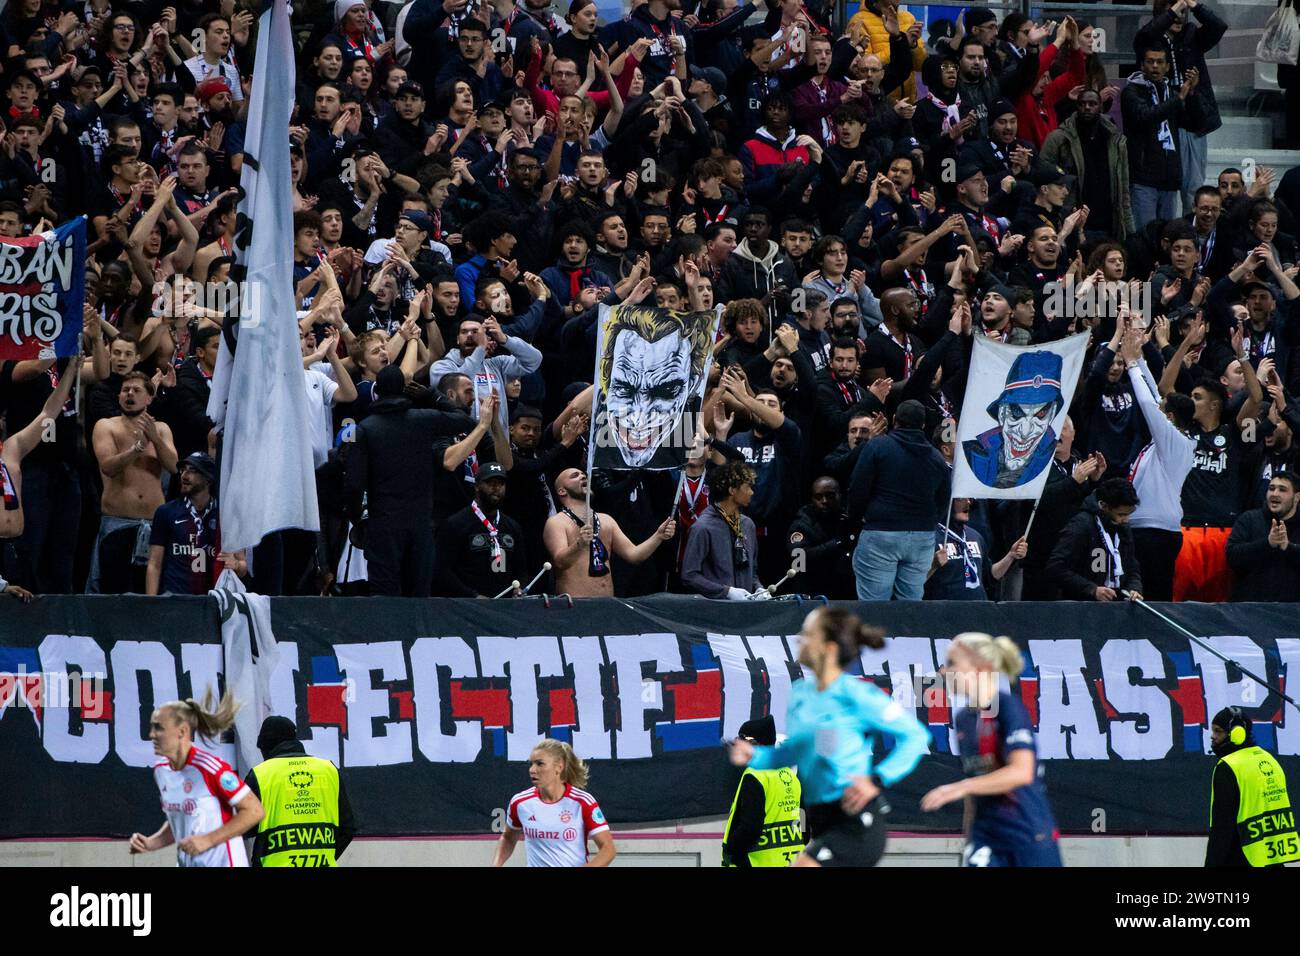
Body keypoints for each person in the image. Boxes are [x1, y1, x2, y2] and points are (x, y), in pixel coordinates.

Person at [729, 606, 930, 867]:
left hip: (855, 820)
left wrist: (876, 779)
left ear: (830, 649)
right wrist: (757, 756)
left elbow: (915, 737)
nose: (799, 639)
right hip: (821, 820)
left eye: (808, 633)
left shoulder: (855, 695)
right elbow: (797, 751)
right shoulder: (801, 693)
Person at [920, 632, 1062, 867]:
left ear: (981, 668)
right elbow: (975, 783)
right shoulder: (964, 718)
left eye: (952, 663)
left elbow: (1021, 772)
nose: (944, 672)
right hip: (985, 838)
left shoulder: (1008, 707)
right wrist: (969, 840)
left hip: (1028, 836)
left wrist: (959, 788)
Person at [345, 365, 477, 597]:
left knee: (385, 596)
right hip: (421, 524)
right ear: (404, 390)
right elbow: (464, 419)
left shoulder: (365, 428)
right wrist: (431, 395)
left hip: (383, 524)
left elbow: (355, 483)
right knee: (419, 595)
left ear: (379, 390)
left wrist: (357, 517)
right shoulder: (423, 419)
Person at [129, 693, 266, 867]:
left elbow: (254, 811)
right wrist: (151, 843)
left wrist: (208, 840)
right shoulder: (161, 770)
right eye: (152, 728)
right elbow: (182, 820)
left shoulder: (209, 769)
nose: (152, 734)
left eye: (159, 728)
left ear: (182, 731)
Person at [848, 399, 950, 601]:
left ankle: (875, 634)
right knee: (911, 603)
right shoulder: (937, 458)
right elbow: (944, 498)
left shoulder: (877, 446)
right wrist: (928, 524)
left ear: (895, 420)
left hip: (881, 533)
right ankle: (908, 633)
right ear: (923, 425)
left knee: (874, 606)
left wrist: (856, 518)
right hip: (921, 538)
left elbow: (858, 488)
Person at [90, 373, 179, 594]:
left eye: (137, 390)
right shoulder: (106, 426)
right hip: (118, 522)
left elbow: (175, 467)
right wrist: (137, 448)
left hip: (154, 524)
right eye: (125, 390)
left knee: (150, 592)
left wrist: (154, 440)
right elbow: (108, 467)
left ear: (149, 398)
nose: (129, 393)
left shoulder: (162, 429)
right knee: (115, 592)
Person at [544, 468, 675, 598]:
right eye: (575, 476)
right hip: (575, 606)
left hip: (607, 606)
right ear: (562, 491)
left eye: (583, 474)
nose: (583, 476)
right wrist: (580, 544)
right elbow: (559, 563)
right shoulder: (557, 522)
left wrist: (658, 536)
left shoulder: (606, 520)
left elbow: (634, 555)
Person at [245, 716, 357, 868]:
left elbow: (242, 827)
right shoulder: (328, 770)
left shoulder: (261, 774)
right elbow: (348, 828)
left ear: (265, 746)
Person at [493, 738, 616, 867]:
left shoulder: (582, 802)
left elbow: (608, 849)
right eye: (531, 764)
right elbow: (508, 838)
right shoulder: (520, 802)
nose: (532, 770)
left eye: (540, 764)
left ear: (559, 767)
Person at [1205, 706, 1300, 867]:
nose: (1213, 737)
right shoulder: (1269, 759)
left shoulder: (1228, 766)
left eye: (1218, 731)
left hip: (1241, 856)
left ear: (1237, 734)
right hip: (1271, 858)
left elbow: (1222, 827)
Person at [962, 351, 1065, 490]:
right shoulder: (969, 453)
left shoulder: (1054, 461)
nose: (1025, 432)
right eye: (1017, 413)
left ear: (1052, 414)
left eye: (1040, 414)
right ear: (1002, 413)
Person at [434, 462, 530, 596]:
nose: (497, 488)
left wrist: (519, 588)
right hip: (468, 606)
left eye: (501, 484)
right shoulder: (455, 524)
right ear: (477, 486)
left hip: (505, 607)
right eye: (491, 483)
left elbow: (521, 569)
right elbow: (442, 570)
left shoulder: (512, 526)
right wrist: (472, 596)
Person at [722, 715, 805, 867]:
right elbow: (804, 818)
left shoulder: (755, 776)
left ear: (753, 743)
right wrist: (800, 839)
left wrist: (731, 848)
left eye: (741, 740)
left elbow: (751, 827)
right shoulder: (790, 775)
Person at [1047, 477, 1145, 601]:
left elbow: (1132, 567)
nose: (1126, 520)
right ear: (1103, 506)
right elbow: (1055, 567)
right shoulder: (1081, 525)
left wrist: (1134, 589)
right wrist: (1091, 589)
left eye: (1128, 514)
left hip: (1117, 607)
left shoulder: (1123, 528)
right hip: (1081, 607)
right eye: (1121, 514)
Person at [681, 461, 766, 600]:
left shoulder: (748, 525)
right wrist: (726, 592)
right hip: (716, 611)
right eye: (748, 487)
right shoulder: (702, 528)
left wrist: (758, 588)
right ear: (732, 490)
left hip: (747, 610)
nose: (752, 492)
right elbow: (689, 576)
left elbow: (753, 571)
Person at [145, 453, 221, 596]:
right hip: (174, 597)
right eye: (183, 470)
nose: (184, 476)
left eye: (192, 470)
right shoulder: (166, 512)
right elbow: (154, 564)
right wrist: (151, 604)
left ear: (208, 478)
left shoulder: (222, 514)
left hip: (211, 599)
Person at [1225, 473, 1300, 601]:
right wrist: (1268, 544)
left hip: (1291, 610)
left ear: (1297, 497)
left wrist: (1288, 547)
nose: (1275, 494)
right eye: (1271, 488)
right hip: (1248, 606)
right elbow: (1232, 557)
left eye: (1282, 490)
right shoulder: (1249, 519)